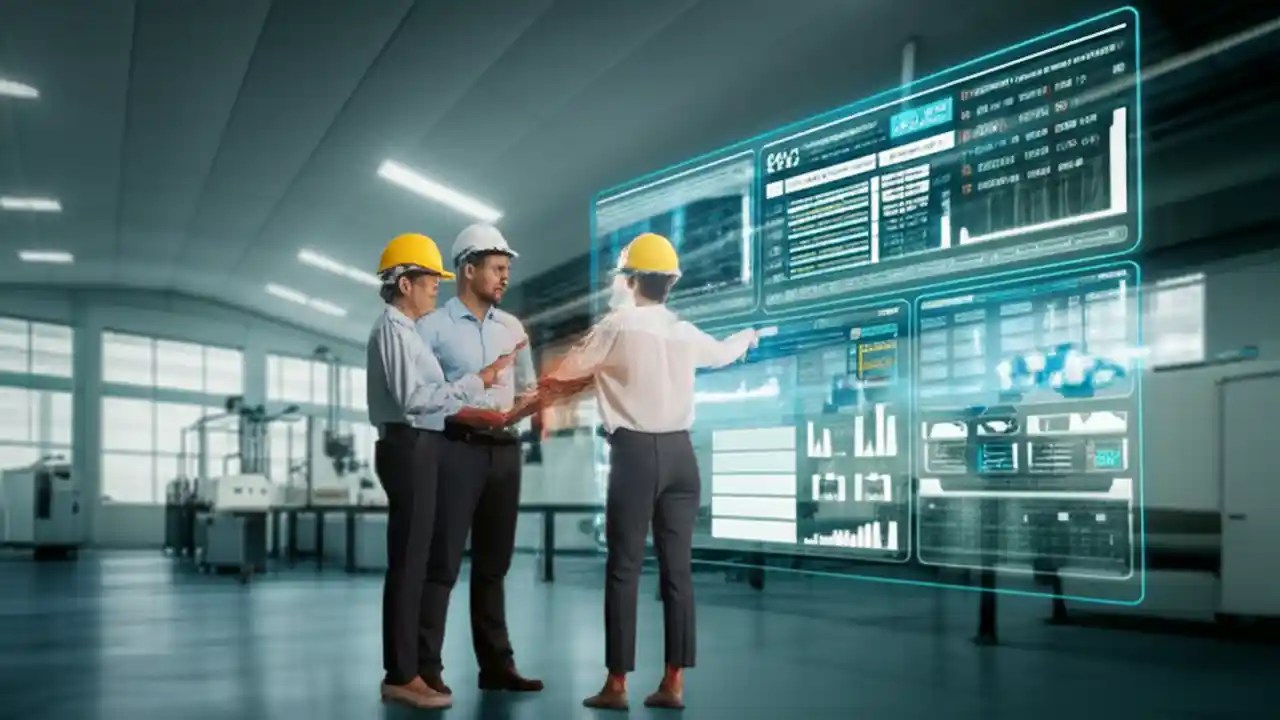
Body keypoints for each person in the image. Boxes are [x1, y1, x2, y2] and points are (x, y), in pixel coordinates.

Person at [537, 232, 757, 711]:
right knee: (678, 572)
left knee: (624, 569)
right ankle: (673, 683)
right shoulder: (684, 332)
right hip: (682, 458)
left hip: (635, 456)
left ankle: (617, 685)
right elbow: (724, 352)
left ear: (631, 280)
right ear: (671, 284)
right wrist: (748, 336)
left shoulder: (617, 325)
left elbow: (566, 372)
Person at [365, 232, 517, 710]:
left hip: (422, 446)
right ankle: (400, 675)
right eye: (431, 279)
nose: (437, 287)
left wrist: (474, 397)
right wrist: (478, 381)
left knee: (416, 562)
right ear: (404, 283)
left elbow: (435, 396)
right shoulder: (393, 329)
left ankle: (411, 671)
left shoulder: (409, 330)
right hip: (407, 445)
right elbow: (416, 398)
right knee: (410, 564)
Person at [415, 223, 543, 694]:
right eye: (496, 267)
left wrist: (532, 405)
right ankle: (426, 668)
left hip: (505, 453)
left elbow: (527, 389)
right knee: (442, 562)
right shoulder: (431, 328)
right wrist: (467, 413)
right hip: (454, 449)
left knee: (494, 564)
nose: (505, 276)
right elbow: (420, 398)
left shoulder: (513, 328)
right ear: (468, 270)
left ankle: (496, 667)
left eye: (507, 268)